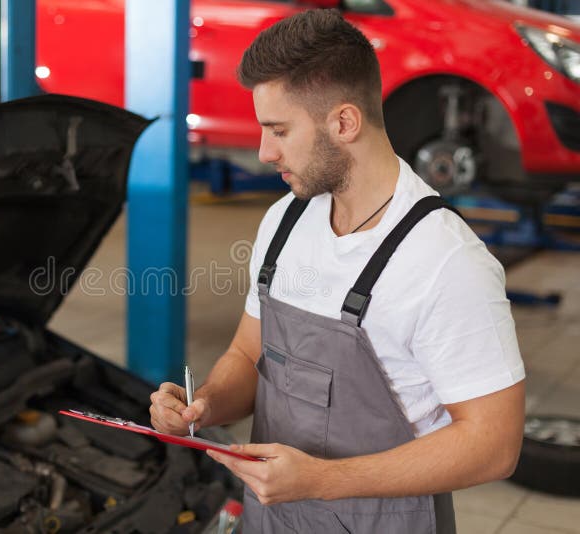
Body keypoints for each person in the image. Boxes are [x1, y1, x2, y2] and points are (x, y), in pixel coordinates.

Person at [149, 9, 525, 534]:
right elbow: (247, 354)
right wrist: (204, 405)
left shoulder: (445, 260)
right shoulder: (285, 220)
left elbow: (494, 445)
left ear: (344, 122)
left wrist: (321, 479)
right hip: (273, 517)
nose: (263, 151)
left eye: (279, 130)